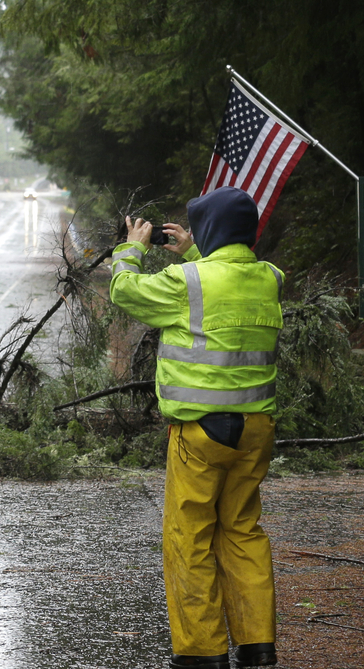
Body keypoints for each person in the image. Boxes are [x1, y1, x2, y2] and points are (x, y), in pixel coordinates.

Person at [108, 187, 282, 669]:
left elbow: (124, 291)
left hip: (201, 434)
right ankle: (257, 647)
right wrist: (198, 249)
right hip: (256, 430)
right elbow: (226, 277)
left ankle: (202, 654)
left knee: (190, 539)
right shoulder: (270, 278)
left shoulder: (187, 283)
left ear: (208, 230)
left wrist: (132, 248)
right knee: (242, 532)